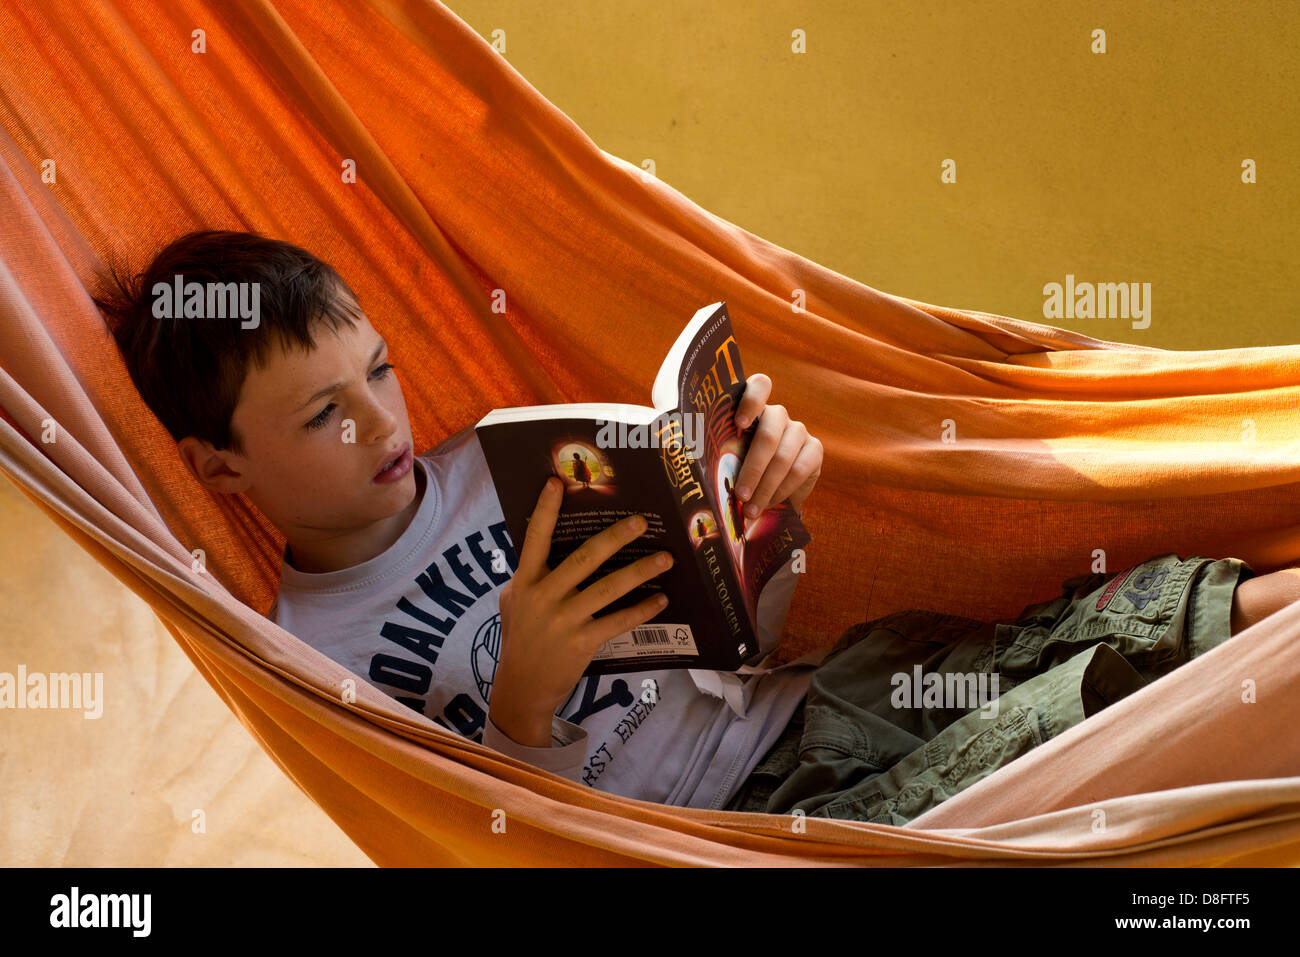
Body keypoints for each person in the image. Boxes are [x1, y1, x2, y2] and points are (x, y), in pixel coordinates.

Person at [95, 230, 1300, 820]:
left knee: (1125, 615)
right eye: (320, 414)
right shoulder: (302, 657)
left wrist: (767, 518)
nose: (378, 422)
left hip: (822, 698)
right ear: (219, 468)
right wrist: (519, 711)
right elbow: (489, 843)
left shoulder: (517, 460)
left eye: (381, 371)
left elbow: (732, 635)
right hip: (755, 834)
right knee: (1087, 710)